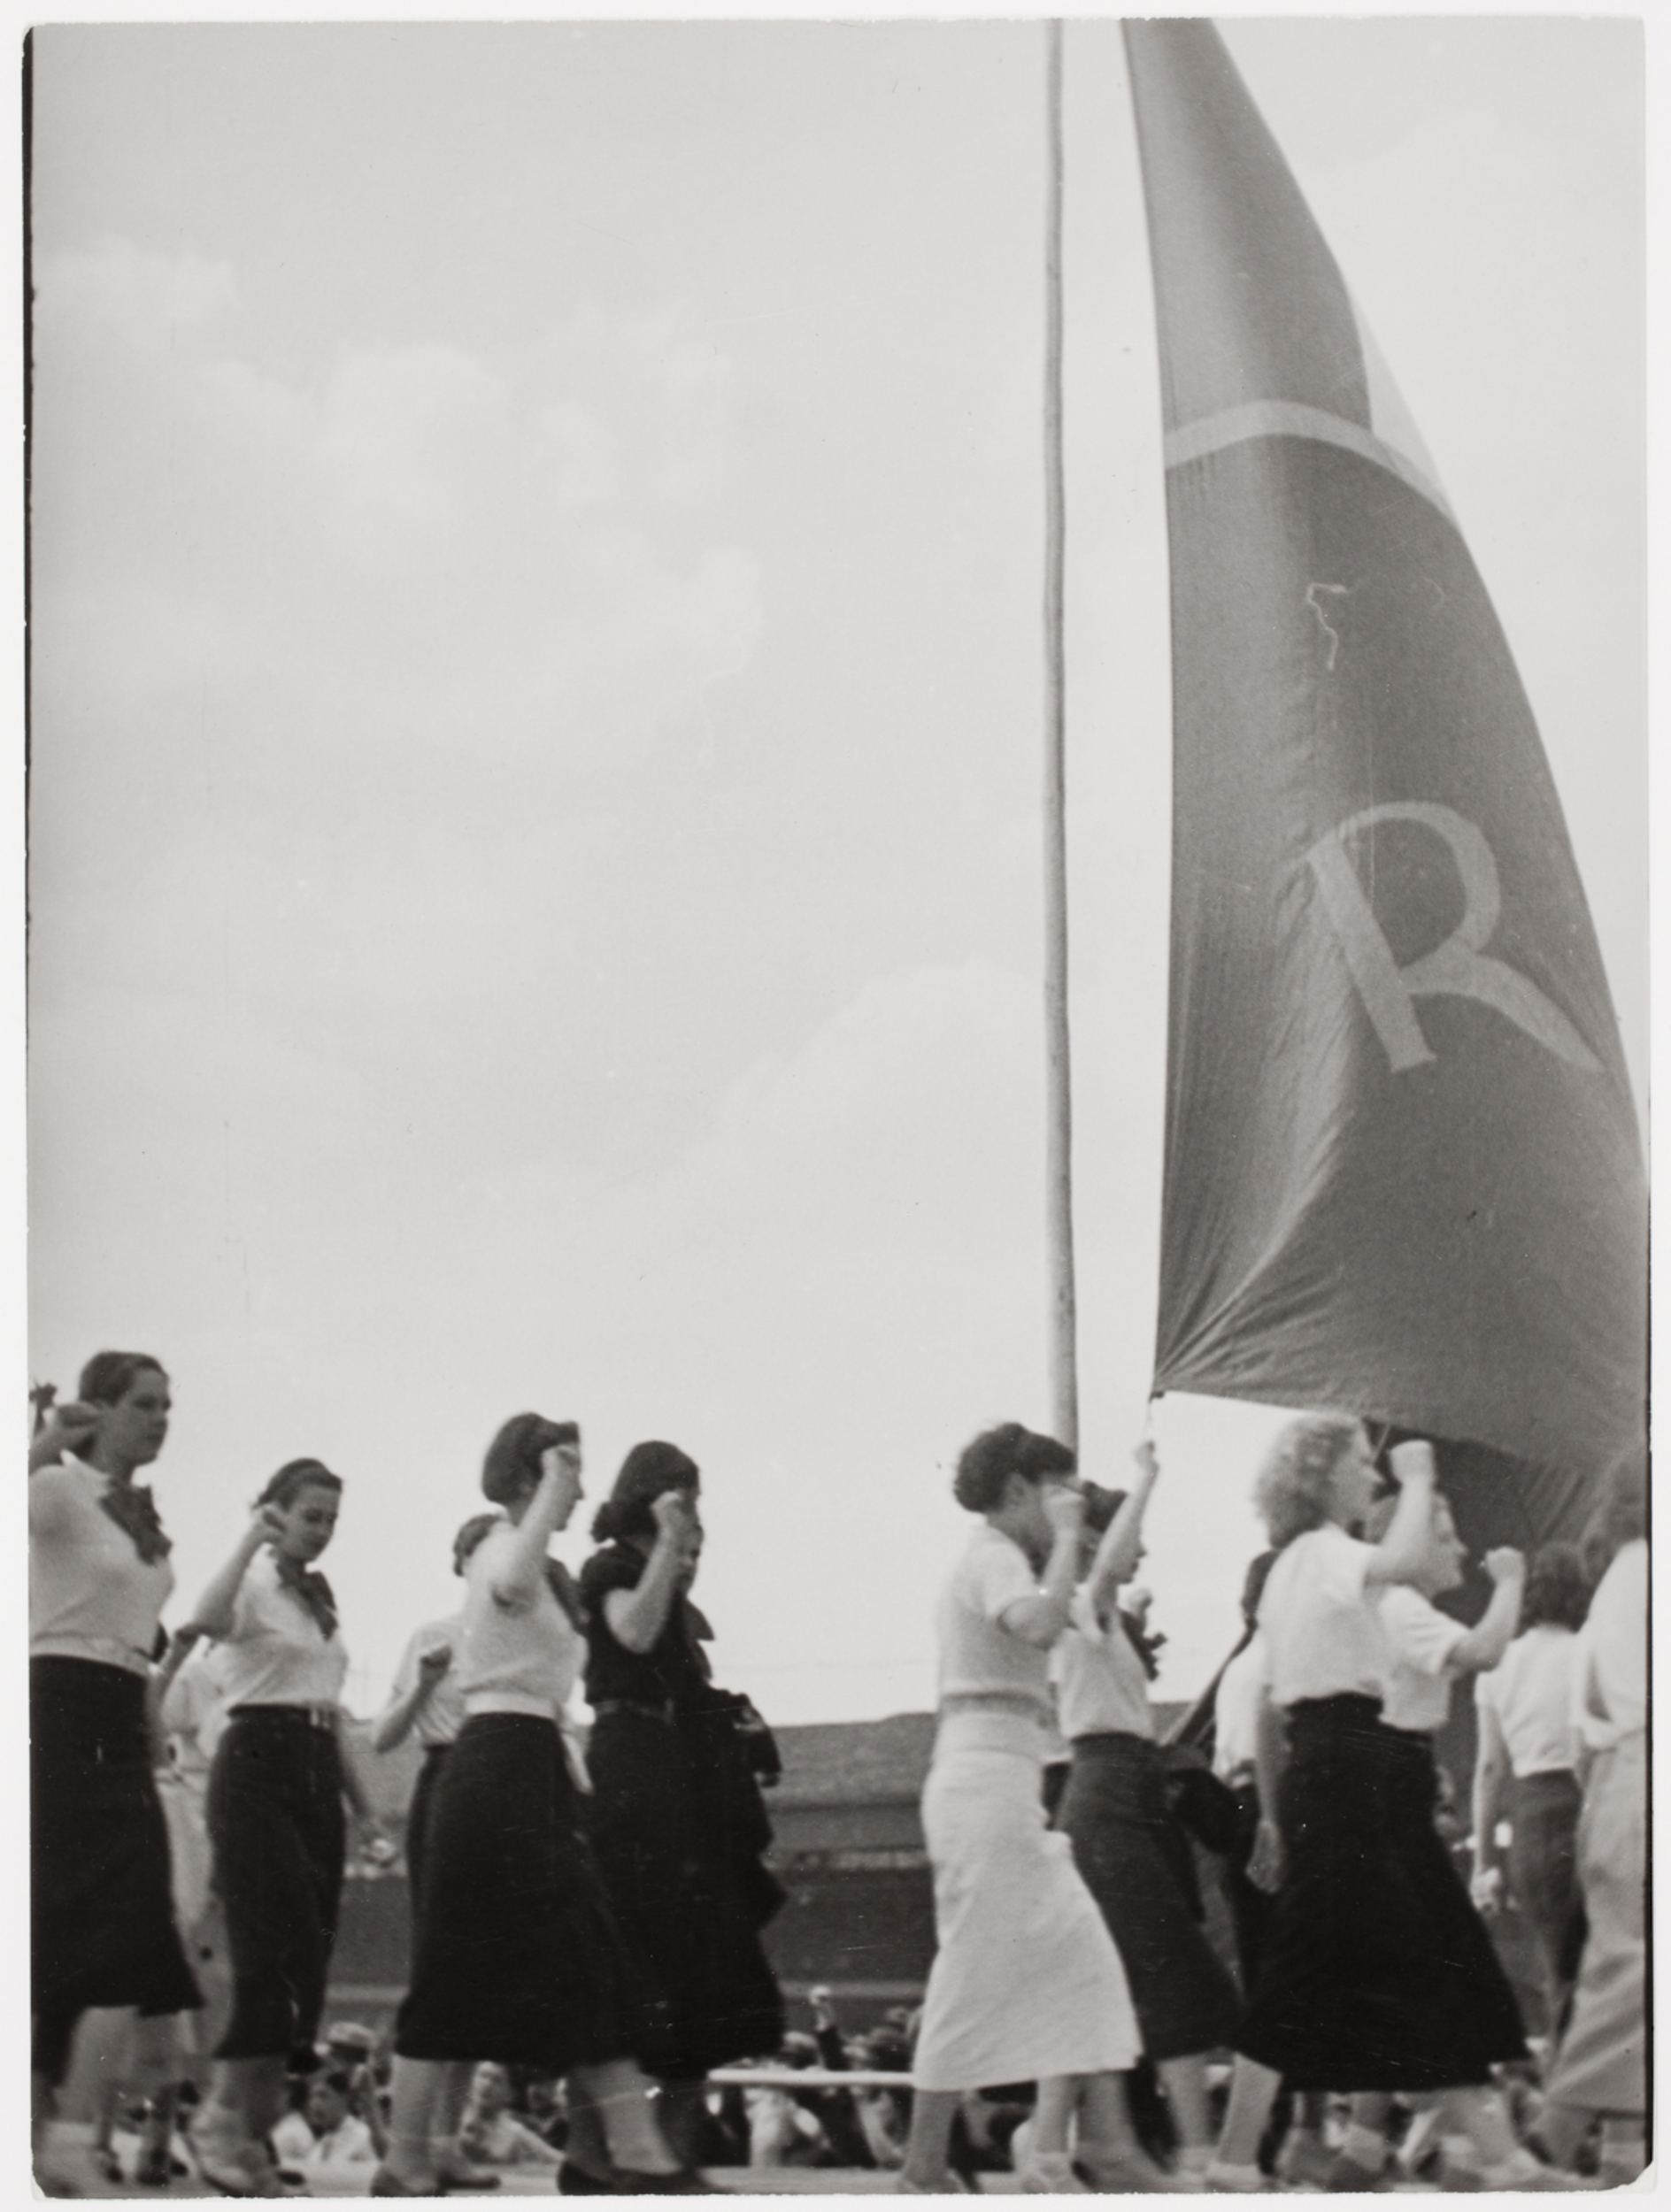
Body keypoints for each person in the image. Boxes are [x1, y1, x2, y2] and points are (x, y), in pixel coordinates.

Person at [1207, 1420, 1563, 2194]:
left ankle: (1243, 2160)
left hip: (1331, 1759)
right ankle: (1496, 2159)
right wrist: (1421, 1473)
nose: (1371, 1480)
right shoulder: (1329, 1554)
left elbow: (1276, 1699)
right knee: (1407, 1956)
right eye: (1360, 1465)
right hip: (1347, 1760)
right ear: (1322, 1475)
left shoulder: (1291, 1570)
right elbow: (1399, 1560)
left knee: (1318, 1966)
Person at [378, 1413, 701, 2195]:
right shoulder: (500, 1545)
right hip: (494, 1767)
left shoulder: (546, 1569)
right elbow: (509, 1583)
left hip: (532, 1767)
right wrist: (552, 1484)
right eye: (568, 1470)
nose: (582, 1487)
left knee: (584, 1954)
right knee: (486, 1963)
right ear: (532, 1473)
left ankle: (638, 2153)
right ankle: (410, 2160)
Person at [899, 1421, 1184, 2194]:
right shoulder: (993, 1554)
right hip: (983, 1782)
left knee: (1083, 1958)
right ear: (1019, 1490)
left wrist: (1132, 1493)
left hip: (1003, 1783)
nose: (1070, 1504)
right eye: (1057, 1490)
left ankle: (1104, 2141)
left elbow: (1100, 1575)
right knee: (978, 1968)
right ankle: (926, 2167)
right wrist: (1065, 1538)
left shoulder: (1014, 1561)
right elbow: (1035, 1622)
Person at [184, 1457, 386, 2194]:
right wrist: (247, 1542)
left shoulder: (319, 1605)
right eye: (311, 1516)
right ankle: (221, 2120)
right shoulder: (254, 1584)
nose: (324, 1531)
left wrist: (365, 1814)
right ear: (275, 1512)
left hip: (312, 1770)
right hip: (255, 1764)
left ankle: (254, 2134)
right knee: (269, 1951)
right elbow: (203, 1621)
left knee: (306, 1963)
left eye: (332, 1518)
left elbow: (328, 1714)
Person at [581, 1440, 785, 2163]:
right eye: (679, 1499)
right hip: (632, 1770)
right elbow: (629, 1633)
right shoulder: (609, 1567)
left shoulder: (681, 1609)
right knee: (639, 1965)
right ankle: (612, 2155)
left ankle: (670, 2152)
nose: (689, 1521)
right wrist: (669, 1543)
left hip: (682, 1785)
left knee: (703, 1976)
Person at [1321, 1486, 1531, 2189]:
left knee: (1418, 1978)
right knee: (1449, 1974)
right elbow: (1483, 1650)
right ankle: (1492, 2165)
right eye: (1444, 1536)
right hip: (1392, 1804)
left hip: (1387, 1793)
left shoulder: (1381, 1609)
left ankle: (1369, 2152)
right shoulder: (1404, 1605)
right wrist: (1512, 1583)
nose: (1462, 1550)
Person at [29, 1352, 204, 2196]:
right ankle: (55, 2140)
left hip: (123, 1716)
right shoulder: (57, 1490)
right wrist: (40, 1447)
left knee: (127, 1926)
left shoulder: (137, 1514)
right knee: (79, 1922)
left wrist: (151, 1731)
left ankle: (61, 2138)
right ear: (100, 1409)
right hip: (56, 1705)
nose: (162, 1418)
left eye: (168, 1405)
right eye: (144, 1403)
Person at [1052, 1440, 1242, 2180]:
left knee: (1152, 1969)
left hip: (1125, 1789)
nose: (1144, 1550)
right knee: (1171, 1968)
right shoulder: (1075, 1601)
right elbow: (1102, 1575)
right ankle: (1191, 2155)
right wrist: (1146, 1479)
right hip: (1106, 1793)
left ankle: (1124, 2143)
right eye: (1129, 1531)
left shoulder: (1098, 1618)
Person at [1536, 1452, 1648, 2187]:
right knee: (1636, 1974)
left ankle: (1614, 2162)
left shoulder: (1620, 1576)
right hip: (1644, 1773)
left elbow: (1585, 1734)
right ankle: (1544, 2147)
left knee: (1623, 1968)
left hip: (1613, 1782)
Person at [1470, 1543, 1590, 2033]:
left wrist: (1484, 1863)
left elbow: (1489, 1769)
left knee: (1555, 1977)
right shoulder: (1593, 1651)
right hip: (1589, 1806)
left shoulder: (1498, 1664)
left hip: (1532, 1823)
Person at [372, 1512, 500, 1911]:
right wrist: (424, 1684)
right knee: (439, 1915)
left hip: (507, 1777)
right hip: (446, 1773)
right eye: (487, 1554)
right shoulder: (432, 1636)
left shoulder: (526, 1640)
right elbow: (381, 1738)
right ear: (464, 1562)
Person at [457, 2061, 563, 2169]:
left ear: (510, 2094)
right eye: (483, 2075)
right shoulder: (450, 2119)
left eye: (497, 2080)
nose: (487, 2084)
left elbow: (558, 2160)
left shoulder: (513, 2132)